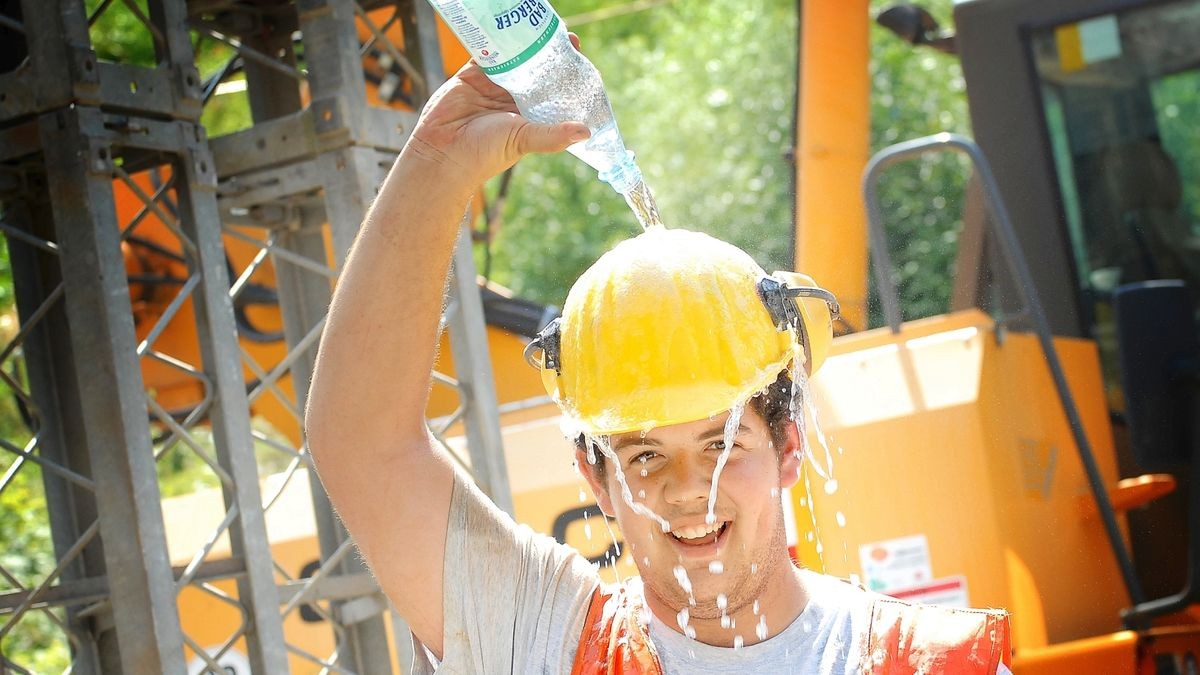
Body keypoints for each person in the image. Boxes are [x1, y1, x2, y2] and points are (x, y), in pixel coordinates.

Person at [305, 39, 1012, 674]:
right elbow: (363, 443)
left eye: (722, 442)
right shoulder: (547, 639)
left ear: (788, 446)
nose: (687, 490)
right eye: (644, 455)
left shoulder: (926, 664)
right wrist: (438, 160)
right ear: (597, 480)